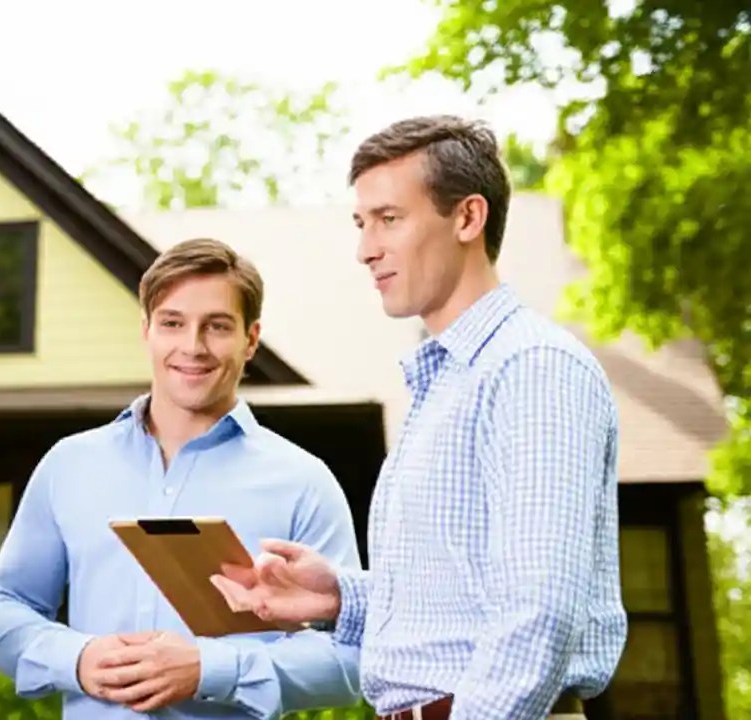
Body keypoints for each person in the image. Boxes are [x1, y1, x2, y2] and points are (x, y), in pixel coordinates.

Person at [210, 116, 628, 720]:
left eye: (389, 218)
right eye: (362, 224)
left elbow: (539, 612)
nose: (365, 250)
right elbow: (462, 598)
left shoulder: (530, 366)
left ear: (468, 218)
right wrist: (338, 596)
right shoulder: (448, 380)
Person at [0, 238, 364, 719]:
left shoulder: (303, 482)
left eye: (217, 326)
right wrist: (78, 658)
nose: (192, 347)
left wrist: (210, 668)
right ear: (147, 331)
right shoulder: (69, 465)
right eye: (172, 323)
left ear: (251, 339)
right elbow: (0, 611)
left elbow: (348, 659)